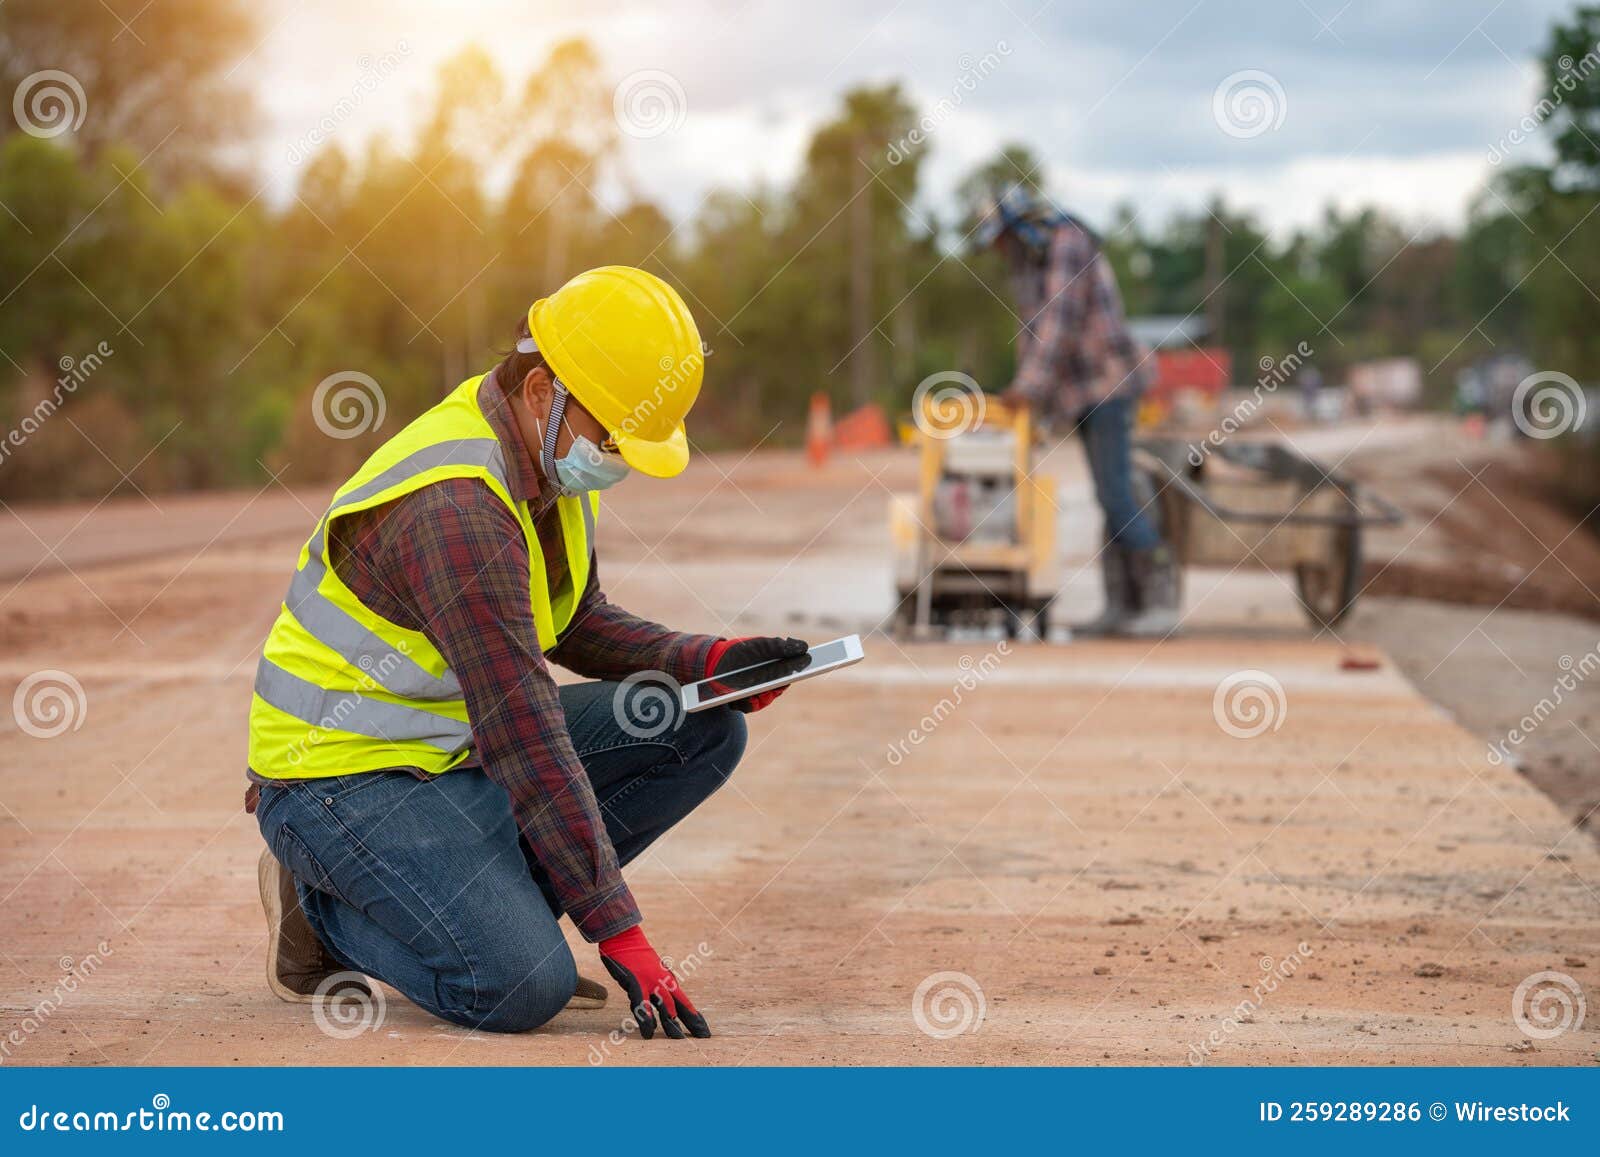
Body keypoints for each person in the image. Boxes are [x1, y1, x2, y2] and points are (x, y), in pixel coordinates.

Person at [246, 265, 807, 1040]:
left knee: (700, 727)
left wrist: (707, 661)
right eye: (612, 435)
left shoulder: (546, 461)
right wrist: (618, 929)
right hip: (339, 780)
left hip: (446, 754)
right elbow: (522, 727)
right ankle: (326, 914)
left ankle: (473, 909)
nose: (615, 458)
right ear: (544, 389)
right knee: (515, 986)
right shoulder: (456, 506)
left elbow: (574, 620)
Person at [979, 184, 1180, 637]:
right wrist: (1030, 401)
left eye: (1003, 241)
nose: (1001, 251)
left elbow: (1059, 324)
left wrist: (1028, 388)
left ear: (1020, 228)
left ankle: (1160, 600)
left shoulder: (1067, 241)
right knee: (1108, 497)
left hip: (1107, 383)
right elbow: (1031, 332)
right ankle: (1121, 606)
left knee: (1116, 494)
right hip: (1080, 393)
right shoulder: (1031, 263)